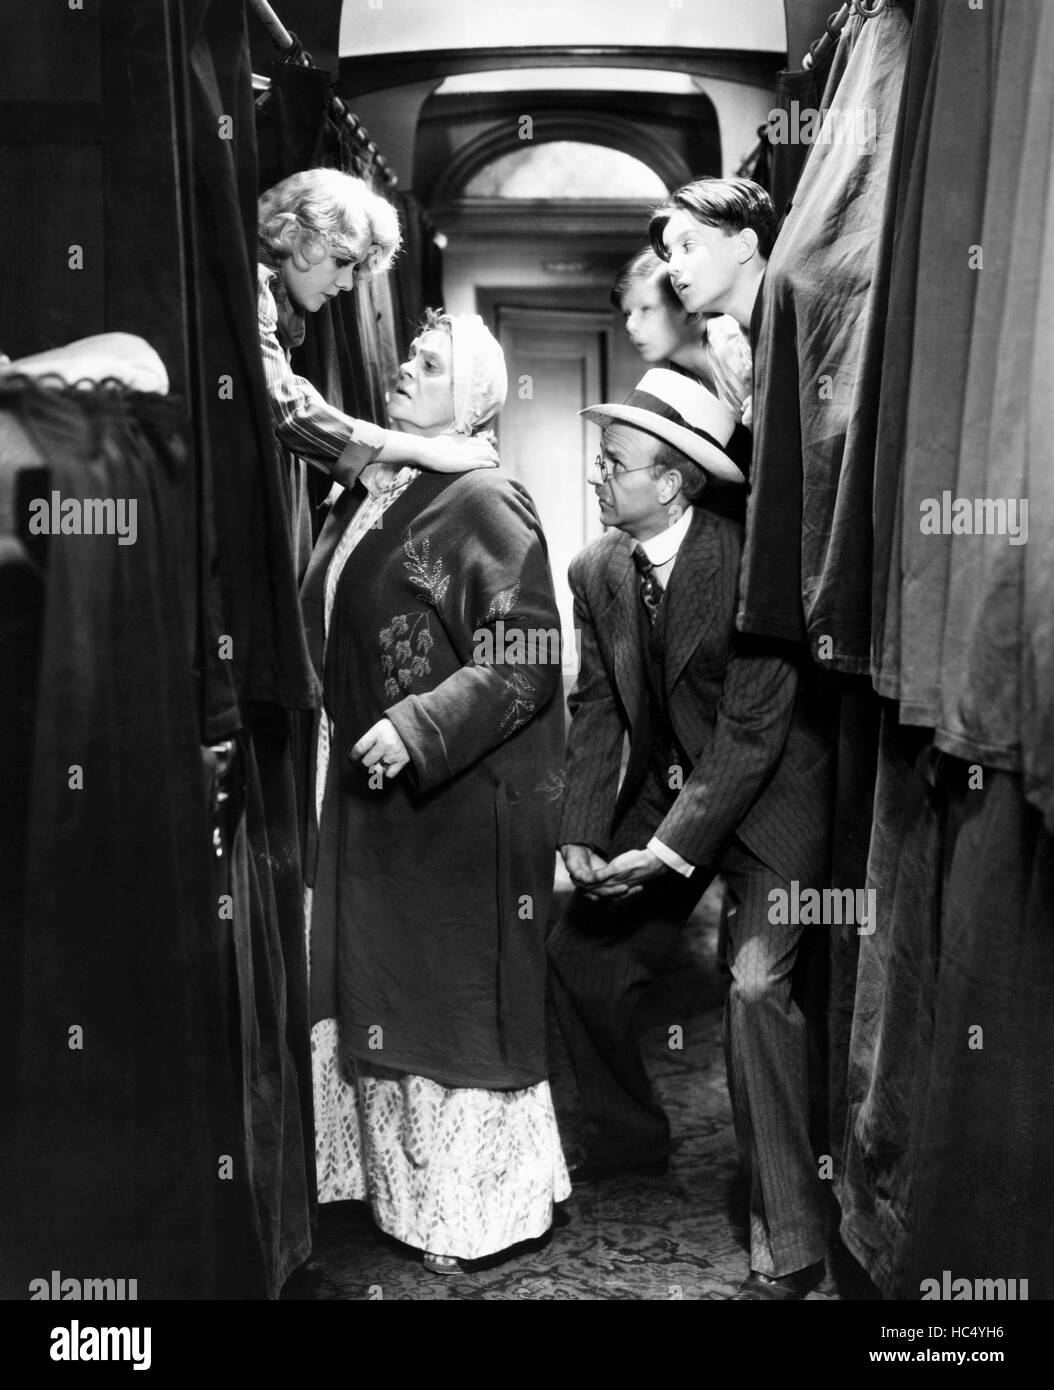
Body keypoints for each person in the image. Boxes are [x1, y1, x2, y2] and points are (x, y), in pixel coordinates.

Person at [547, 367, 834, 1300]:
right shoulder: (596, 569)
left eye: (614, 463)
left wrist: (668, 853)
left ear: (671, 482)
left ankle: (788, 1231)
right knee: (575, 954)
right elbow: (598, 709)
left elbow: (753, 733)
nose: (598, 476)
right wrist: (584, 836)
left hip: (771, 804)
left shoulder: (756, 566)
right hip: (666, 799)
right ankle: (629, 1142)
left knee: (753, 988)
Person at [300, 310, 570, 1275]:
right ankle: (406, 1204)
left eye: (430, 360)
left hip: (456, 801)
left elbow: (528, 653)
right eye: (409, 354)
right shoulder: (386, 486)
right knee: (386, 991)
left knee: (448, 1000)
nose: (406, 366)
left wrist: (416, 730)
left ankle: (474, 1216)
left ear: (476, 397)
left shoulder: (484, 497)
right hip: (377, 799)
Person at [256, 169, 494, 570]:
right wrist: (424, 450)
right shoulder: (253, 284)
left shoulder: (280, 305)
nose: (349, 283)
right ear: (295, 236)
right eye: (342, 262)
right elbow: (291, 414)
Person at [649, 177, 778, 429]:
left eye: (688, 246)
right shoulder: (730, 350)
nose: (672, 267)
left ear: (744, 246)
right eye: (669, 253)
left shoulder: (803, 316)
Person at [610, 248, 752, 419]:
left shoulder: (738, 343)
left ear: (689, 308)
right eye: (628, 314)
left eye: (646, 309)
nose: (630, 325)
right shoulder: (679, 385)